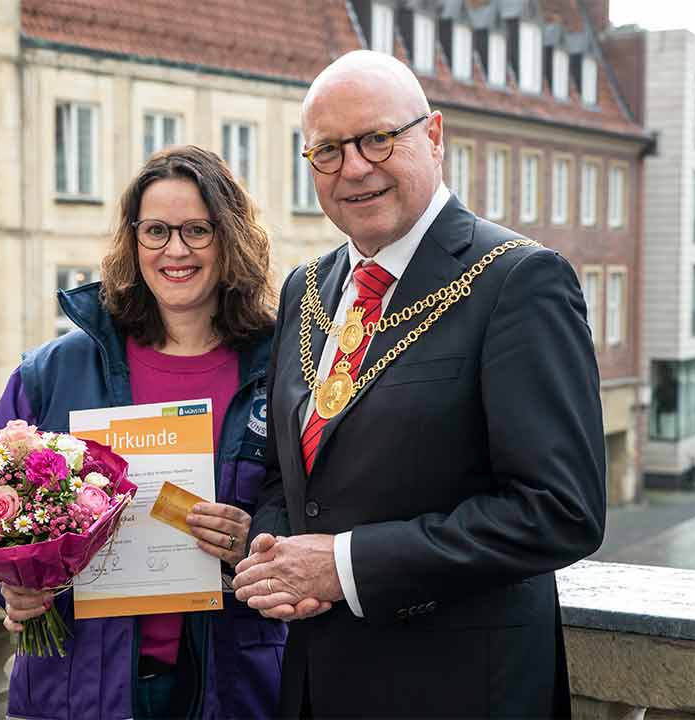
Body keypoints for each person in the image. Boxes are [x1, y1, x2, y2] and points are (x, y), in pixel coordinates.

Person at [233, 50, 606, 718]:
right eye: (326, 151)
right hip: (319, 681)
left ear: (433, 137)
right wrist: (274, 552)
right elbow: (285, 477)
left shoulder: (517, 280)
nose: (354, 167)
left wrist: (343, 567)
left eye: (378, 138)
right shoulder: (306, 287)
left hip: (458, 688)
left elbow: (560, 512)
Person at [0, 145, 286, 719]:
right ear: (133, 239)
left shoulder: (283, 369)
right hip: (77, 688)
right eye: (156, 231)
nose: (176, 250)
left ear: (229, 237)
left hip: (230, 688)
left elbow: (317, 510)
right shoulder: (56, 371)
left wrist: (256, 541)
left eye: (197, 230)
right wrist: (9, 588)